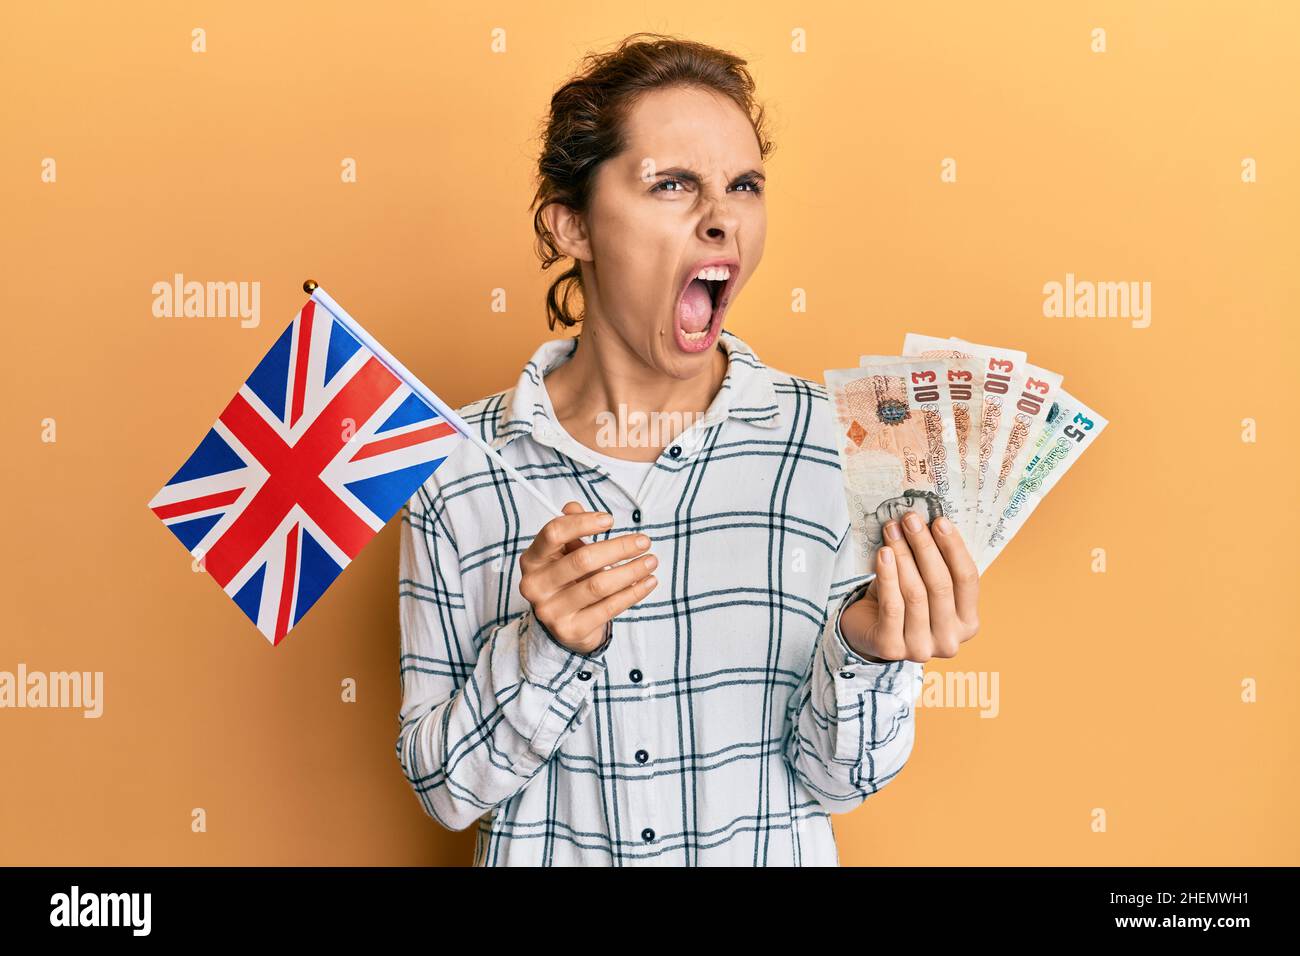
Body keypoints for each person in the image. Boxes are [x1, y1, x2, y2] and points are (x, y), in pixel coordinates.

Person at [396, 33, 980, 866]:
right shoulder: (457, 469)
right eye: (671, 184)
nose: (720, 217)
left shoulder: (837, 446)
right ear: (572, 225)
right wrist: (546, 648)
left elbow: (838, 781)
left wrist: (868, 649)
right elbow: (446, 792)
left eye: (744, 185)